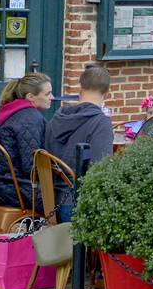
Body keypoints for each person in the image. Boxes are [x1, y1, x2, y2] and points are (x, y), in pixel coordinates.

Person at [45, 63, 115, 221]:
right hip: (78, 206)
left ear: (80, 89)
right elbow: (100, 172)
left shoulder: (57, 118)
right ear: (107, 93)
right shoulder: (100, 123)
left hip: (50, 201)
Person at [0, 73, 52, 212]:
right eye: (48, 94)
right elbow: (31, 166)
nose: (52, 98)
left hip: (3, 185)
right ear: (30, 96)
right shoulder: (30, 119)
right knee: (70, 197)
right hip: (17, 191)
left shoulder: (13, 111)